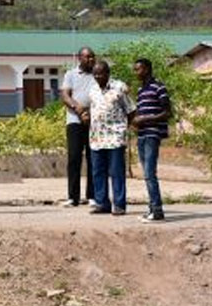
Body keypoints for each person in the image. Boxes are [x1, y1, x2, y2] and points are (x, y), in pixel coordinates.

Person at [84, 60, 136, 216]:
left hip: (115, 136)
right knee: (98, 171)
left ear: (108, 73)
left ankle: (119, 204)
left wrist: (129, 129)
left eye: (101, 73)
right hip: (97, 136)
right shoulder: (92, 90)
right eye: (95, 74)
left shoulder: (119, 88)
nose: (98, 76)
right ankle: (102, 203)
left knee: (116, 171)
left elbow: (131, 110)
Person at [133, 58, 172, 223]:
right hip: (142, 135)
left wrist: (145, 119)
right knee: (146, 174)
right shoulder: (141, 90)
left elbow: (167, 112)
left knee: (150, 173)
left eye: (139, 69)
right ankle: (152, 208)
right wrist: (136, 122)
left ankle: (157, 211)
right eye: (135, 70)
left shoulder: (159, 87)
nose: (136, 73)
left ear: (147, 69)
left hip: (152, 134)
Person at [60, 46, 97, 207]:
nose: (91, 59)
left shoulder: (97, 74)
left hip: (94, 122)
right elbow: (65, 95)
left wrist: (89, 113)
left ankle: (92, 196)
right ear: (79, 58)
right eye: (87, 57)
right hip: (74, 121)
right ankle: (73, 197)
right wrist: (79, 109)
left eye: (92, 57)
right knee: (74, 158)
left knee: (93, 158)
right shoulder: (71, 74)